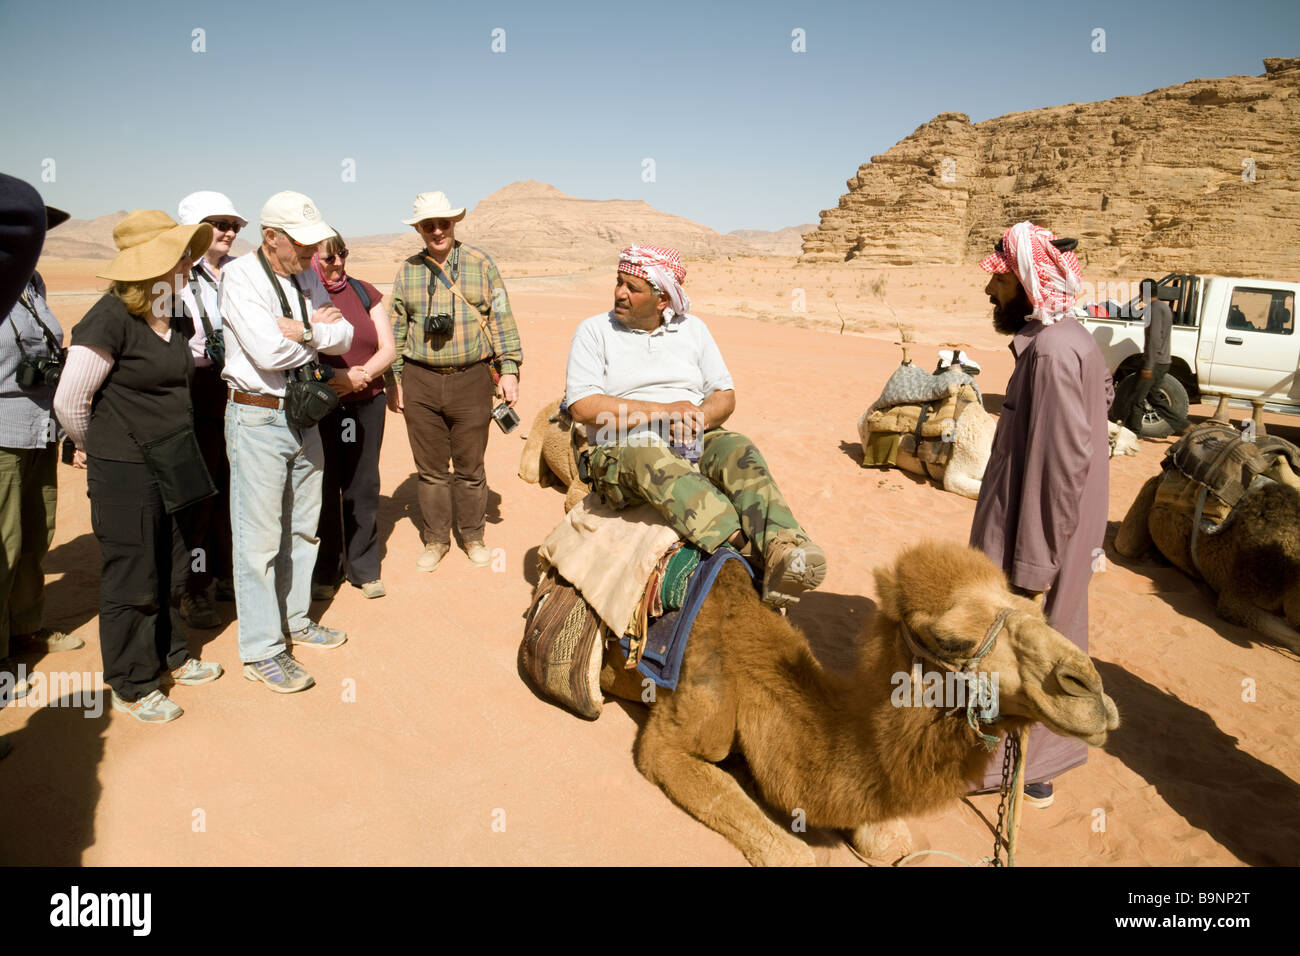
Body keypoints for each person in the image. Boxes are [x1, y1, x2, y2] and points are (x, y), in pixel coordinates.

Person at [564, 245, 825, 608]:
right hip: (619, 448)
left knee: (738, 448)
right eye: (619, 282)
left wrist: (700, 417)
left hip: (691, 438)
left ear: (662, 300)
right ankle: (741, 546)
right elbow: (584, 407)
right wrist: (663, 412)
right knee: (647, 453)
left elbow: (724, 395)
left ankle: (785, 548)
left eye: (632, 288)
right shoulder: (594, 332)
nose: (620, 293)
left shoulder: (693, 330)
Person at [53, 210, 223, 723]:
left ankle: (171, 654)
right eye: (180, 256)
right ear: (154, 266)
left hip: (175, 457)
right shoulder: (108, 318)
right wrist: (95, 446)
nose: (189, 263)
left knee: (172, 561)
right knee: (132, 571)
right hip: (125, 466)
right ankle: (132, 681)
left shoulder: (177, 315)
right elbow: (70, 399)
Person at [969, 221, 1112, 806]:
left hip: (1034, 539)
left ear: (1028, 281)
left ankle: (998, 767)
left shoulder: (1052, 354)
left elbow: (1057, 472)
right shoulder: (1067, 340)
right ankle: (1034, 765)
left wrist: (1031, 569)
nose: (990, 294)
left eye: (999, 281)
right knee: (1052, 639)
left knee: (1017, 648)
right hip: (1053, 538)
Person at [218, 191, 353, 694]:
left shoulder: (304, 278)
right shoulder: (241, 277)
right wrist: (314, 331)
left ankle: (294, 619)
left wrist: (303, 329)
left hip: (304, 418)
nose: (313, 253)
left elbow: (346, 336)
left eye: (315, 243)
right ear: (270, 237)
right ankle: (262, 649)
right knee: (257, 540)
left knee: (302, 527)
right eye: (302, 243)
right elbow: (267, 350)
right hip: (258, 418)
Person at [388, 191, 522, 571]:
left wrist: (509, 369)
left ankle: (473, 536)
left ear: (454, 223)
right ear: (418, 228)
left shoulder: (481, 265)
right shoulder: (408, 270)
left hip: (472, 380)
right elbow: (397, 326)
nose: (436, 231)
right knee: (430, 470)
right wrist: (393, 378)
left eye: (442, 223)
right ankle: (435, 540)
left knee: (469, 467)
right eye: (428, 225)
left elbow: (501, 318)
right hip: (420, 381)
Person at [1, 204, 83, 714]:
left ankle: (26, 628)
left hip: (40, 428)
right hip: (2, 434)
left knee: (37, 530)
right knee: (2, 544)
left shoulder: (33, 281)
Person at [173, 191, 246, 629]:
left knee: (230, 492)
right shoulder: (175, 276)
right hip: (194, 390)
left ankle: (223, 575)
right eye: (219, 223)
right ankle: (192, 588)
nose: (229, 232)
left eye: (234, 225)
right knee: (198, 495)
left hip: (235, 389)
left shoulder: (242, 274)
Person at [309, 232, 396, 600]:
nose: (338, 263)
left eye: (342, 254)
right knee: (323, 485)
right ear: (312, 257)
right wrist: (335, 381)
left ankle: (364, 567)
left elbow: (388, 347)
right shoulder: (304, 295)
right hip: (320, 405)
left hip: (366, 402)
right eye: (329, 257)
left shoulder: (365, 292)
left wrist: (360, 376)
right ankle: (327, 569)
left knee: (362, 484)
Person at [1115, 278, 1188, 438]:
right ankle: (1184, 426)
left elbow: (1154, 338)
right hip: (1162, 361)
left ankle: (1133, 432)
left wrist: (1148, 365)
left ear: (1144, 292)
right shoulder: (1163, 308)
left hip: (1154, 362)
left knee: (1137, 398)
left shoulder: (1153, 309)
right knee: (1153, 397)